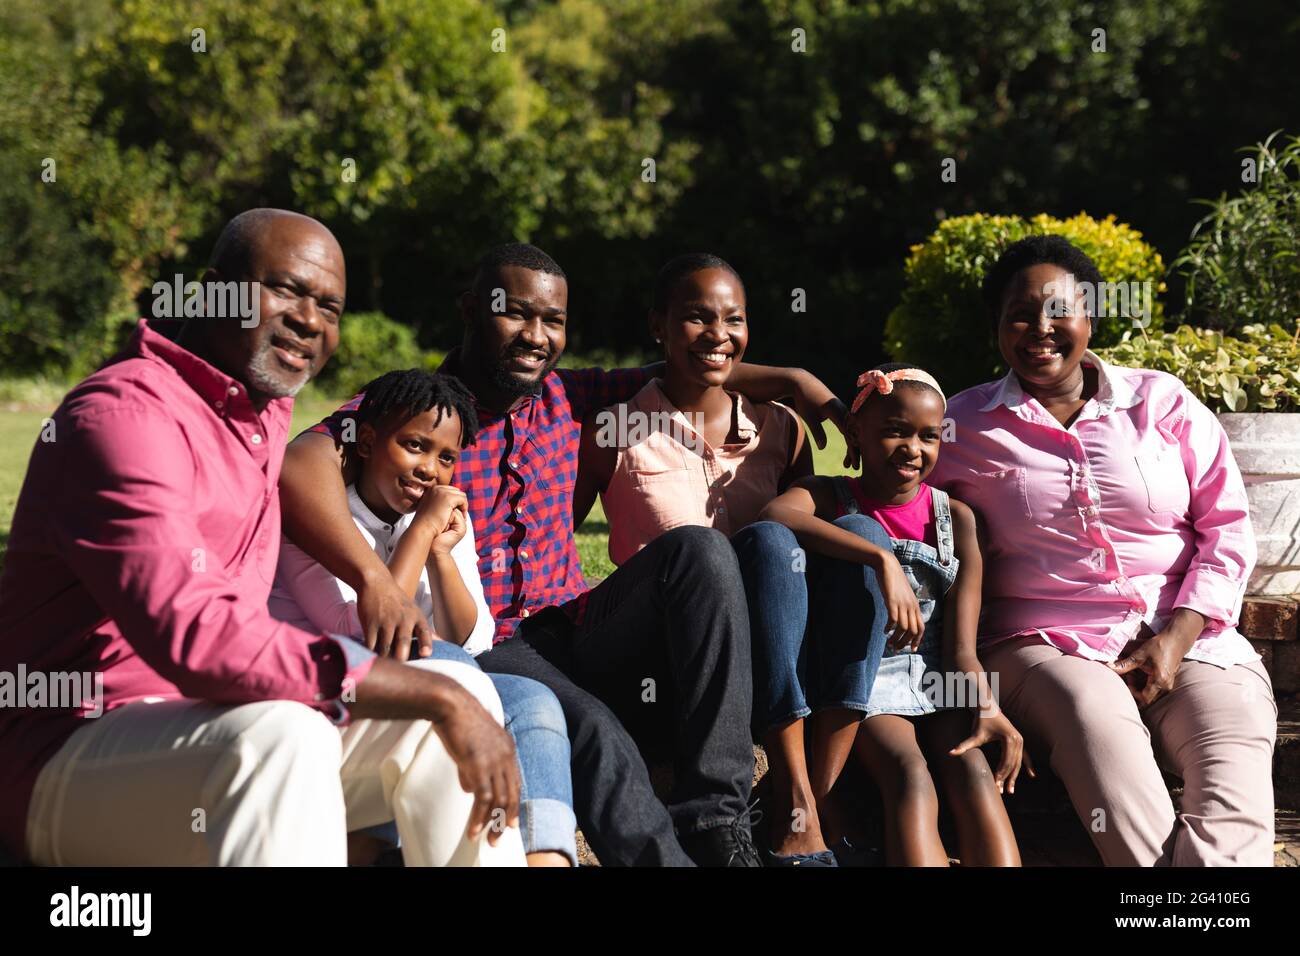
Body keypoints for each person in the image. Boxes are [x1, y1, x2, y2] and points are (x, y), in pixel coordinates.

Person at [279, 242, 854, 866]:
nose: (536, 336)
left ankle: (717, 818)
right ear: (471, 310)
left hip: (575, 628)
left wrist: (802, 385)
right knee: (593, 729)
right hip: (487, 642)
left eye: (552, 322)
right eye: (516, 315)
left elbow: (696, 360)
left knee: (700, 551)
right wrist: (374, 580)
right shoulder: (423, 413)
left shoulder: (572, 397)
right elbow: (301, 461)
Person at [0, 209, 524, 866]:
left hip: (221, 731)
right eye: (287, 290)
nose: (310, 320)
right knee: (292, 730)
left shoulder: (264, 410)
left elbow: (327, 460)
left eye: (329, 306)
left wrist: (442, 687)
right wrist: (422, 686)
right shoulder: (124, 416)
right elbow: (195, 637)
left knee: (464, 691)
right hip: (73, 755)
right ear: (214, 289)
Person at [930, 234, 1278, 866]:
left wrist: (1178, 634)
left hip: (1190, 636)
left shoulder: (1162, 402)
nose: (1041, 328)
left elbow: (1226, 528)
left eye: (1060, 310)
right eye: (1019, 314)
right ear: (996, 326)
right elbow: (889, 493)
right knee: (1093, 719)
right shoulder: (960, 426)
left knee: (1234, 738)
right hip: (1044, 646)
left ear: (1091, 317)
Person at [270, 367, 576, 866]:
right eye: (414, 446)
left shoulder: (441, 516)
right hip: (328, 688)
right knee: (444, 664)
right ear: (366, 442)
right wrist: (421, 533)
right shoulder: (321, 520)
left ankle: (547, 860)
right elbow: (373, 636)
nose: (430, 469)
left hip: (430, 672)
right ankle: (374, 847)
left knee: (531, 698)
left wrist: (440, 554)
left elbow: (471, 636)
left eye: (447, 458)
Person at [737, 363, 1024, 866]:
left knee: (973, 771)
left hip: (937, 678)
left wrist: (988, 706)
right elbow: (775, 517)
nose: (913, 448)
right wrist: (879, 556)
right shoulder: (830, 494)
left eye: (929, 437)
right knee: (909, 774)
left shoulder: (954, 518)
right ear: (855, 432)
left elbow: (960, 648)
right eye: (894, 431)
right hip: (869, 681)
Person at [573, 253, 813, 563]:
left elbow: (804, 554)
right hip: (663, 607)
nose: (718, 335)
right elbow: (553, 545)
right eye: (698, 317)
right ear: (657, 326)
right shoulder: (610, 434)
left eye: (734, 319)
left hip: (768, 610)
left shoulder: (782, 429)